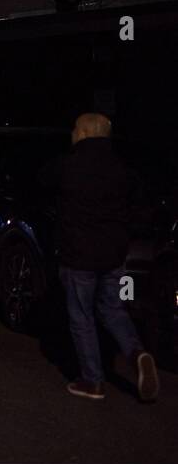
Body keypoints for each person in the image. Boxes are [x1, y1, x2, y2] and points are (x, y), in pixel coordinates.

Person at [38, 113, 159, 402]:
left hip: (78, 253)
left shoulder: (68, 164)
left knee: (81, 316)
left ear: (83, 132)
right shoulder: (122, 168)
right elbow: (141, 201)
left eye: (75, 128)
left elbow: (41, 183)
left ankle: (93, 381)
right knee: (113, 309)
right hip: (114, 252)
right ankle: (136, 352)